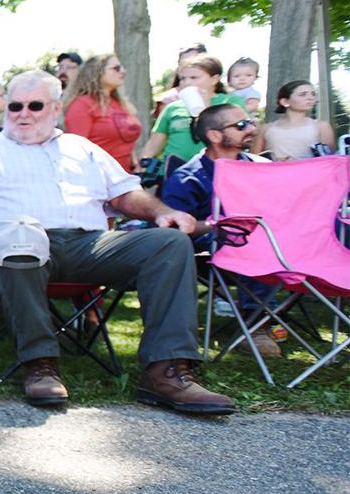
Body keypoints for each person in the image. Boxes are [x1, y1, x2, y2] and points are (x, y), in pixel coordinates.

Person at [0, 70, 235, 415]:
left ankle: (165, 372)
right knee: (20, 237)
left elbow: (125, 193)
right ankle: (40, 364)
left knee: (169, 244)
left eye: (35, 105)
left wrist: (162, 212)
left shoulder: (81, 147)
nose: (23, 114)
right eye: (15, 106)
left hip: (88, 244)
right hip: (14, 245)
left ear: (56, 108)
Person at [159, 104, 278, 357]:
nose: (252, 128)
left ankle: (260, 319)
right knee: (250, 239)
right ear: (215, 136)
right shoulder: (188, 177)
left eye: (251, 122)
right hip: (210, 245)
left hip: (271, 237)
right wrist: (220, 224)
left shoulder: (261, 168)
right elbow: (171, 228)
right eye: (242, 125)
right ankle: (257, 327)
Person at [141, 55, 245, 166]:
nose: (187, 83)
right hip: (174, 172)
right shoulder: (172, 108)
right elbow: (153, 145)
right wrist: (142, 165)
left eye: (194, 78)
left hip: (216, 170)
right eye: (183, 79)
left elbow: (240, 135)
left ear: (214, 79)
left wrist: (205, 108)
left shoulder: (230, 103)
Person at [63, 54, 142, 172]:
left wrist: (135, 165)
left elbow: (124, 142)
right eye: (116, 68)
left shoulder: (119, 103)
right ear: (97, 72)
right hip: (99, 181)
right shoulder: (81, 105)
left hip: (127, 179)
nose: (123, 71)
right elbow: (76, 153)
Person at [255, 80, 335, 161]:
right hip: (275, 172)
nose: (310, 98)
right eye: (303, 94)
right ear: (285, 101)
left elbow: (328, 161)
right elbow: (253, 160)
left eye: (313, 94)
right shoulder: (266, 129)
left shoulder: (322, 126)